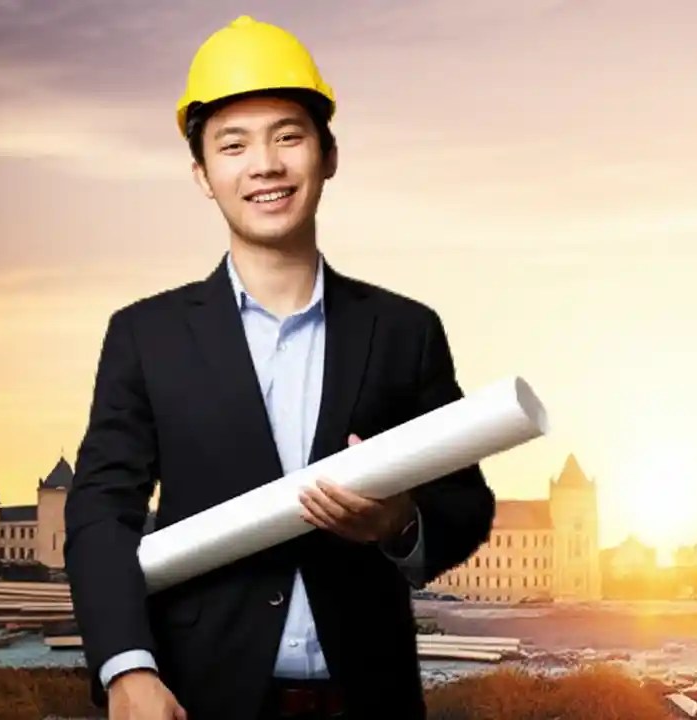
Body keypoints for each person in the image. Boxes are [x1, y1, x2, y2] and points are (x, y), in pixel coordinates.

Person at [62, 14, 497, 720]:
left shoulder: (404, 332)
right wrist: (126, 667)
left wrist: (399, 523)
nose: (264, 165)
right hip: (200, 700)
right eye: (233, 145)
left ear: (329, 155)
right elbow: (101, 514)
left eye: (288, 137)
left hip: (369, 700)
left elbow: (465, 505)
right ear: (203, 175)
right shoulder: (145, 337)